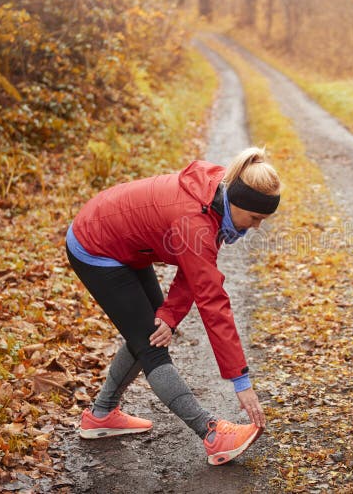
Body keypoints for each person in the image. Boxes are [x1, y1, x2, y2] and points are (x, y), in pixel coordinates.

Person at [65, 147, 279, 465]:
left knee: (150, 330)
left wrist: (169, 314)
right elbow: (212, 301)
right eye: (255, 218)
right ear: (237, 203)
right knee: (151, 346)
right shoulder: (196, 219)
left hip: (126, 244)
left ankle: (101, 415)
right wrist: (241, 381)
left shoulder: (218, 197)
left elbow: (193, 270)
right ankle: (212, 434)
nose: (257, 227)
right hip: (95, 244)